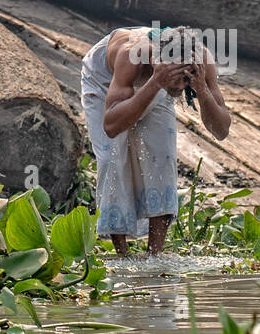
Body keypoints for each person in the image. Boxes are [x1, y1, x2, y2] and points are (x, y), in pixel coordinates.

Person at [81, 25, 231, 257]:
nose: (180, 89)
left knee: (162, 155)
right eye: (177, 82)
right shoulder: (131, 54)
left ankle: (155, 254)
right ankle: (122, 253)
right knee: (114, 156)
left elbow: (221, 131)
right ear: (155, 61)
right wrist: (156, 82)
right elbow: (111, 126)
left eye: (184, 80)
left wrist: (201, 89)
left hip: (159, 79)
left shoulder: (200, 60)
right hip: (105, 80)